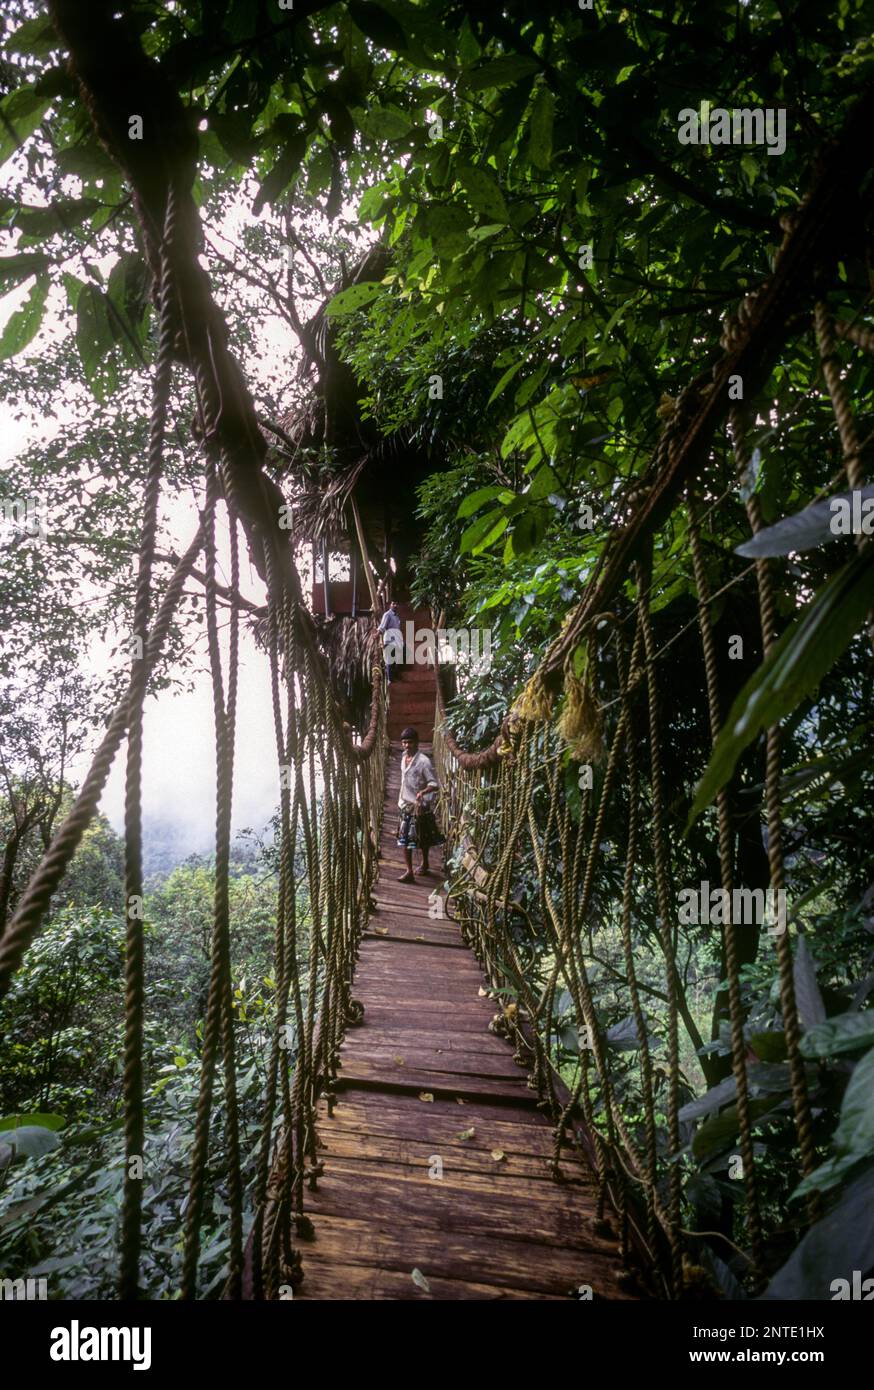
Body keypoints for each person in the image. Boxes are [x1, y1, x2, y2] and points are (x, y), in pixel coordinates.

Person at [396, 727, 443, 883]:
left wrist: (423, 792)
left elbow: (434, 784)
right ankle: (409, 871)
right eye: (404, 742)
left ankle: (425, 863)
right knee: (405, 838)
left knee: (423, 837)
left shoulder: (424, 762)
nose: (407, 746)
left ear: (417, 743)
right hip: (405, 803)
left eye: (410, 742)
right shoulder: (404, 758)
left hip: (420, 805)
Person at [377, 599, 402, 683]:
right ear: (390, 605)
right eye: (393, 603)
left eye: (396, 604)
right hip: (389, 641)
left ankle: (394, 677)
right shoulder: (387, 615)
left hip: (397, 641)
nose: (395, 605)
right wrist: (377, 634)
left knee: (396, 660)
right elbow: (382, 627)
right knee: (389, 660)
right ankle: (390, 679)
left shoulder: (397, 616)